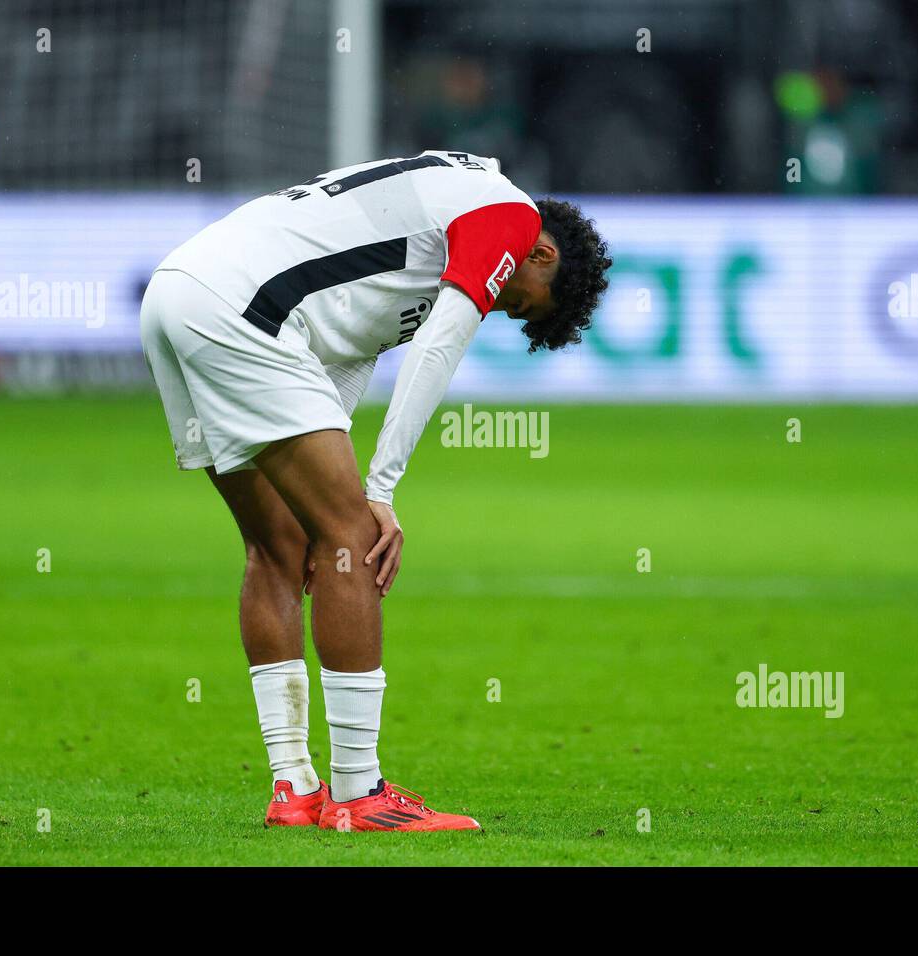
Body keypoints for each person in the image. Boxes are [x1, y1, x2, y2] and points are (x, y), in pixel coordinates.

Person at [140, 151, 611, 831]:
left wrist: (343, 493)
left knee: (279, 546)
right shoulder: (509, 217)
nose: (502, 305)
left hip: (180, 292)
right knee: (353, 540)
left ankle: (294, 790)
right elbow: (438, 348)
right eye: (517, 300)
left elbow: (347, 348)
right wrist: (378, 491)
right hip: (243, 307)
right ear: (539, 254)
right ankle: (360, 795)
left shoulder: (445, 206)